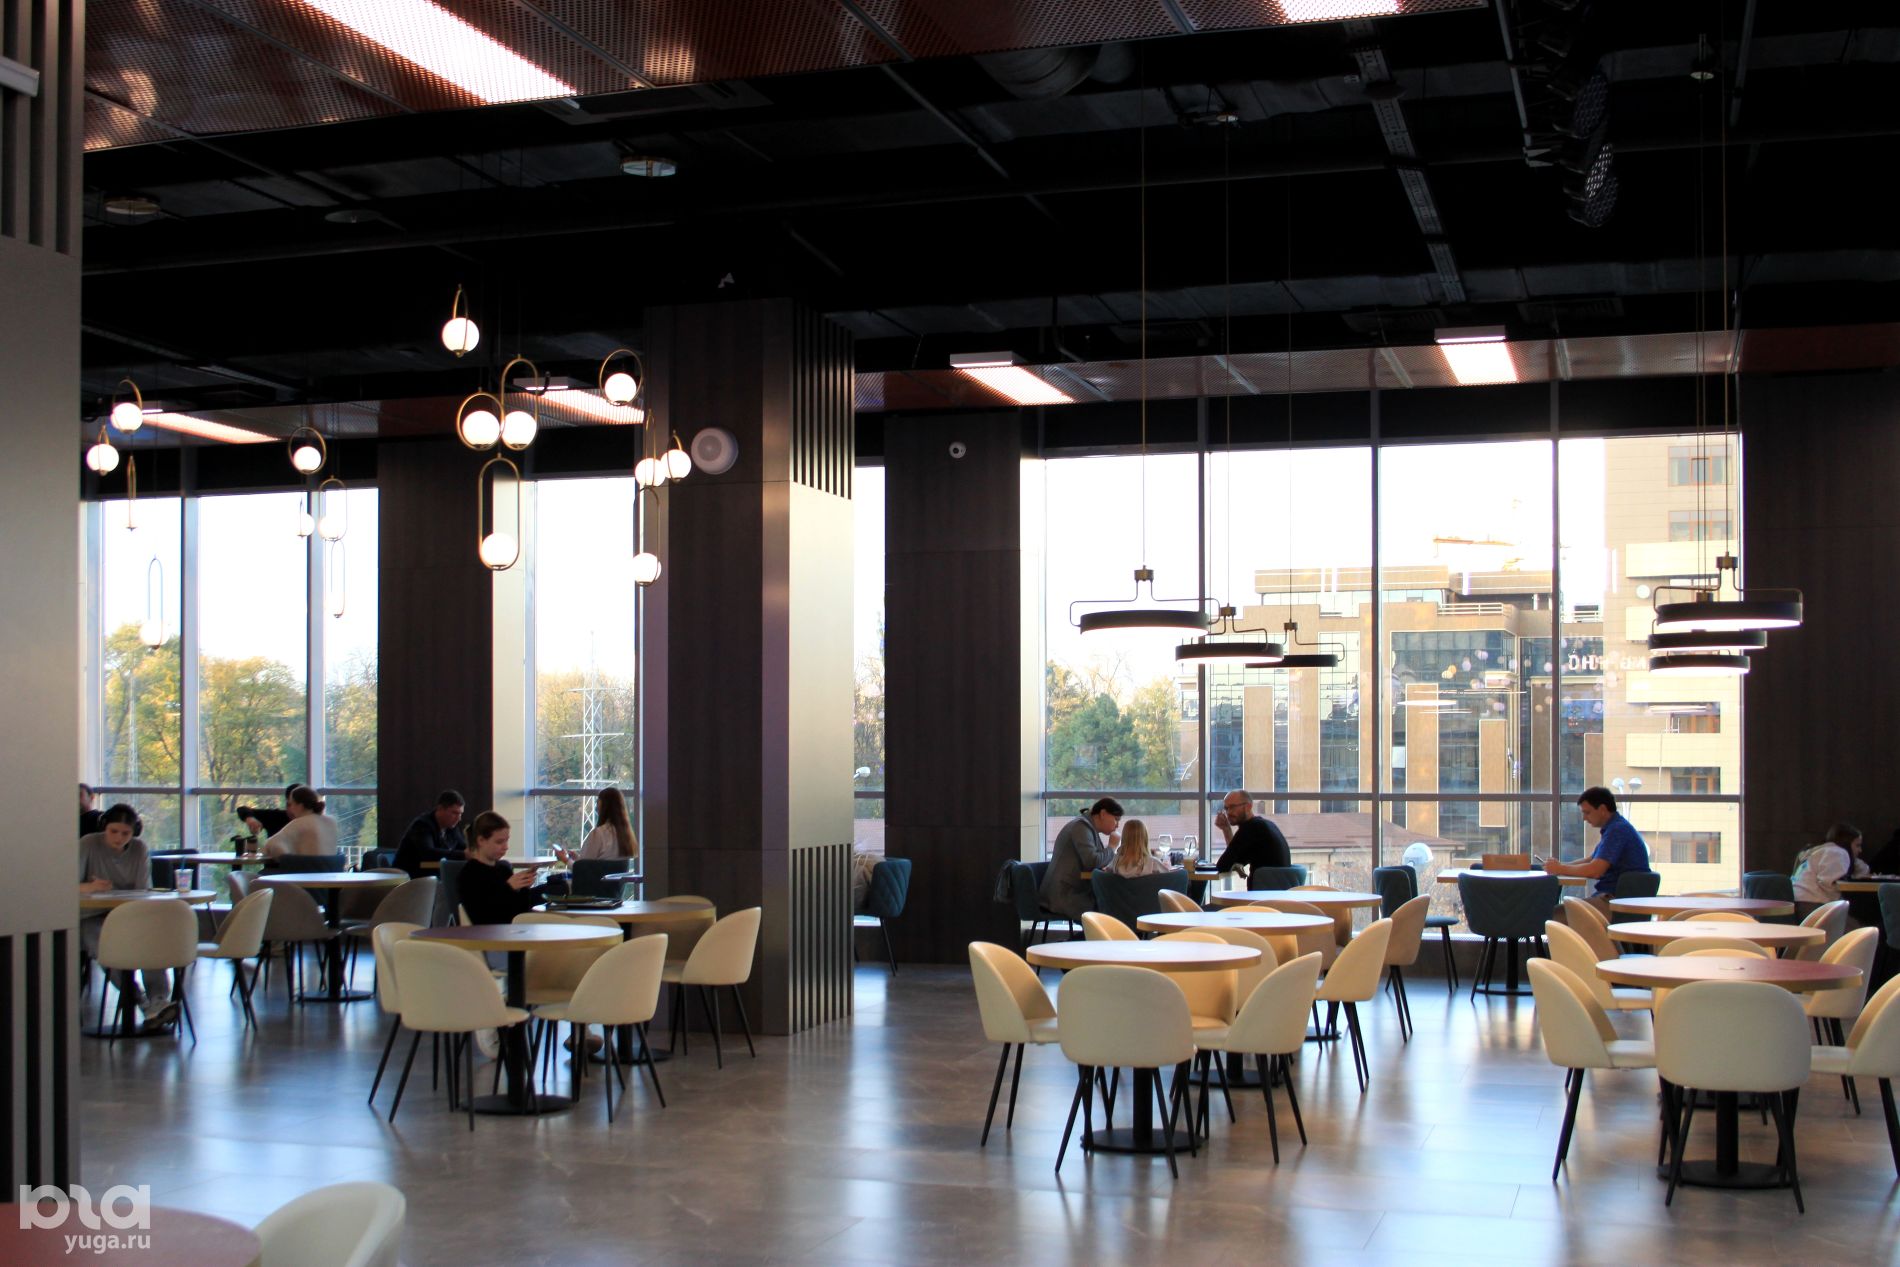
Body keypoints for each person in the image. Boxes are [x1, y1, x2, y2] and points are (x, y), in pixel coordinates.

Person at [78, 803, 176, 1031]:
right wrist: (90, 887)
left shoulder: (139, 849)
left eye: (125, 833)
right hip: (91, 915)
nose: (119, 838)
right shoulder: (88, 844)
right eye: (114, 831)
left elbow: (143, 890)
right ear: (104, 827)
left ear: (134, 833)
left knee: (151, 944)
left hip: (128, 915)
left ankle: (158, 1001)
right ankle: (140, 1000)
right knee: (109, 951)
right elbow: (66, 884)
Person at [1545, 786, 1650, 912]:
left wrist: (1560, 868)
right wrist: (1560, 867)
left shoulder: (1617, 830)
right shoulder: (1616, 827)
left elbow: (1595, 870)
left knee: (1550, 915)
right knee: (1553, 912)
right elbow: (1591, 860)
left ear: (1602, 809)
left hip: (1616, 901)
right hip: (1619, 899)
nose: (1584, 818)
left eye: (1587, 812)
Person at [458, 810, 550, 925]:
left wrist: (524, 888)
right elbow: (485, 916)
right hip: (488, 933)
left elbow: (519, 912)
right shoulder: (469, 874)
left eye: (507, 840)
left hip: (512, 930)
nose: (506, 847)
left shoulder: (503, 869)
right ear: (481, 840)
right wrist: (509, 887)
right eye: (499, 842)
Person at [1039, 798, 1122, 919]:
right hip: (1064, 895)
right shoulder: (1081, 827)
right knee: (1111, 907)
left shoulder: (1086, 827)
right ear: (1103, 813)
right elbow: (1092, 862)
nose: (1117, 825)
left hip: (1072, 892)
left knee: (1112, 903)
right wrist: (1112, 847)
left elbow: (1095, 861)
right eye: (1116, 819)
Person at [1211, 789, 1292, 878]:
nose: (1228, 812)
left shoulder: (1250, 828)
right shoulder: (1265, 825)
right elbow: (1234, 858)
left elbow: (1222, 866)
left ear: (1248, 807)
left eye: (1233, 807)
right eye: (1226, 808)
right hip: (1277, 885)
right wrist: (1227, 830)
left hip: (1263, 886)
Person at [1792, 822, 1870, 909]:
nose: (1860, 850)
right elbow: (1827, 882)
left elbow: (1862, 869)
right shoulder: (1837, 852)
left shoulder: (1824, 850)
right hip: (1812, 902)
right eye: (1857, 845)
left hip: (1799, 900)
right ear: (1846, 842)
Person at [395, 789, 467, 877]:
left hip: (431, 877)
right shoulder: (422, 825)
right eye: (454, 813)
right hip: (409, 878)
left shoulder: (451, 827)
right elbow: (428, 853)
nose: (459, 818)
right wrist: (464, 855)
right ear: (440, 808)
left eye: (460, 814)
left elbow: (463, 847)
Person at [560, 787, 638, 862]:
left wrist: (565, 860)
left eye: (597, 803)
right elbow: (596, 864)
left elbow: (584, 868)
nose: (596, 808)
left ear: (603, 807)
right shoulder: (626, 835)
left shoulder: (598, 834)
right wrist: (578, 859)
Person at [260, 786, 339, 859]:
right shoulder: (332, 821)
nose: (290, 808)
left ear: (300, 806)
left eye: (291, 804)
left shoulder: (300, 823)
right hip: (332, 869)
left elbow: (268, 846)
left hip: (305, 869)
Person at [1106, 819, 1173, 879]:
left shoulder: (1114, 862)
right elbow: (1171, 879)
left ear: (1124, 838)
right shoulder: (1153, 863)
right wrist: (1167, 868)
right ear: (1145, 839)